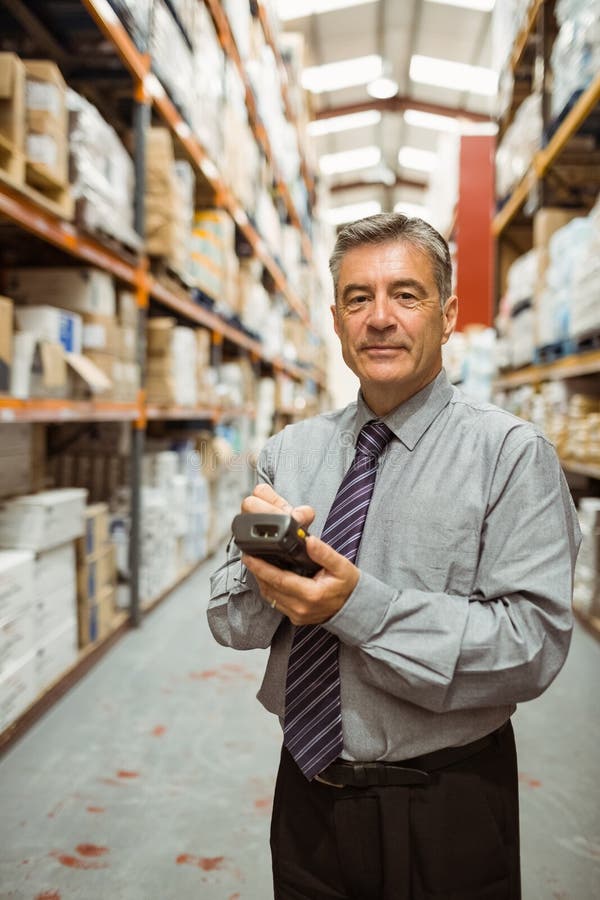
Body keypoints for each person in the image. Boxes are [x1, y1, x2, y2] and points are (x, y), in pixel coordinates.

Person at [207, 213, 580, 900]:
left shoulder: (509, 456)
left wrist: (357, 607)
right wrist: (264, 576)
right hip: (307, 795)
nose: (380, 318)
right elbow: (228, 623)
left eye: (405, 295)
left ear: (447, 313)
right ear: (336, 317)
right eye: (358, 298)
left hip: (448, 804)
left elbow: (534, 648)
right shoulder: (292, 454)